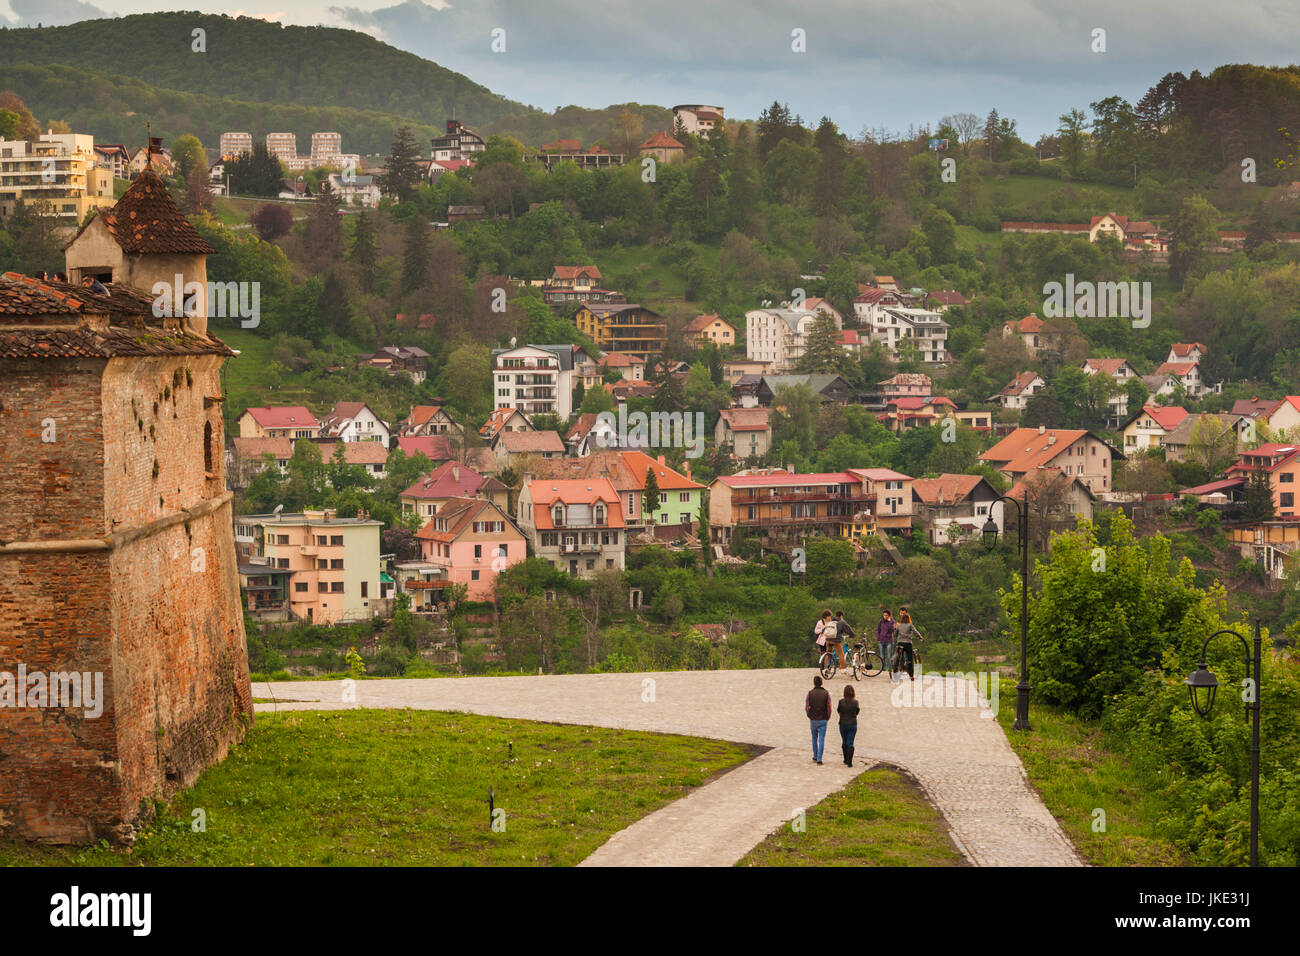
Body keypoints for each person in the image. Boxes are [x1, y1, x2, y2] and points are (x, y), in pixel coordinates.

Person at [805, 675, 832, 765]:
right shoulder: (826, 693)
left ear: (814, 683)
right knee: (821, 739)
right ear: (822, 683)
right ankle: (820, 759)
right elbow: (829, 707)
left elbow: (806, 706)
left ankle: (815, 755)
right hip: (823, 719)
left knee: (814, 738)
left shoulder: (810, 693)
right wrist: (828, 716)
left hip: (813, 719)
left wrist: (809, 715)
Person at [837, 684, 859, 767]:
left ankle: (846, 759)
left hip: (843, 724)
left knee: (844, 741)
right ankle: (850, 762)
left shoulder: (841, 702)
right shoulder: (855, 702)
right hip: (853, 724)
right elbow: (857, 712)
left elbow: (838, 711)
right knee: (850, 742)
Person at [895, 606, 919, 682]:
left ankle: (895, 673)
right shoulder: (910, 625)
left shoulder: (898, 625)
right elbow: (915, 631)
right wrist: (920, 636)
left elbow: (895, 634)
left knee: (898, 658)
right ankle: (911, 676)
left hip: (900, 643)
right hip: (908, 643)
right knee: (910, 659)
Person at [876, 609, 896, 679]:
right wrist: (878, 638)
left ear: (889, 616)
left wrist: (889, 622)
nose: (885, 616)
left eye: (886, 615)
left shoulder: (892, 621)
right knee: (882, 656)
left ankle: (890, 669)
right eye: (884, 615)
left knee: (890, 656)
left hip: (889, 640)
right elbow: (878, 630)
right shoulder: (880, 621)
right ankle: (883, 668)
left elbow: (892, 630)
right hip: (881, 640)